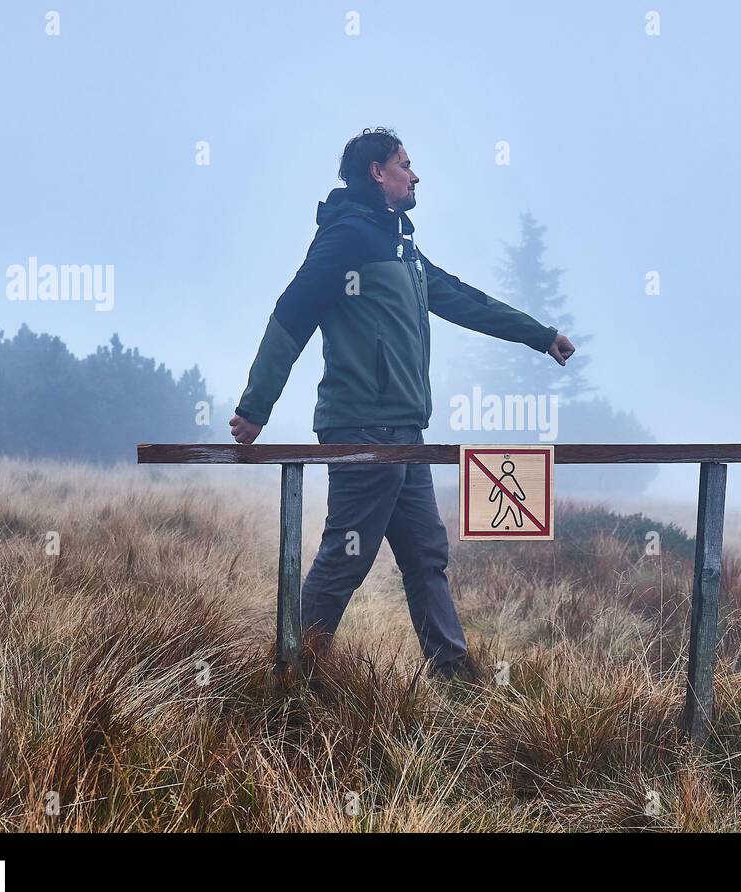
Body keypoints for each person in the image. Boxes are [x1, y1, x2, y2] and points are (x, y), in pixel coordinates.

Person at [229, 127, 575, 680]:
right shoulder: (346, 239)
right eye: (406, 165)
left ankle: (455, 676)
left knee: (425, 555)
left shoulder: (402, 247)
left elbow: (463, 299)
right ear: (377, 173)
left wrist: (538, 334)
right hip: (363, 427)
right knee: (347, 555)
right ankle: (290, 672)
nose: (415, 175)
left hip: (405, 432)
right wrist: (256, 406)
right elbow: (292, 313)